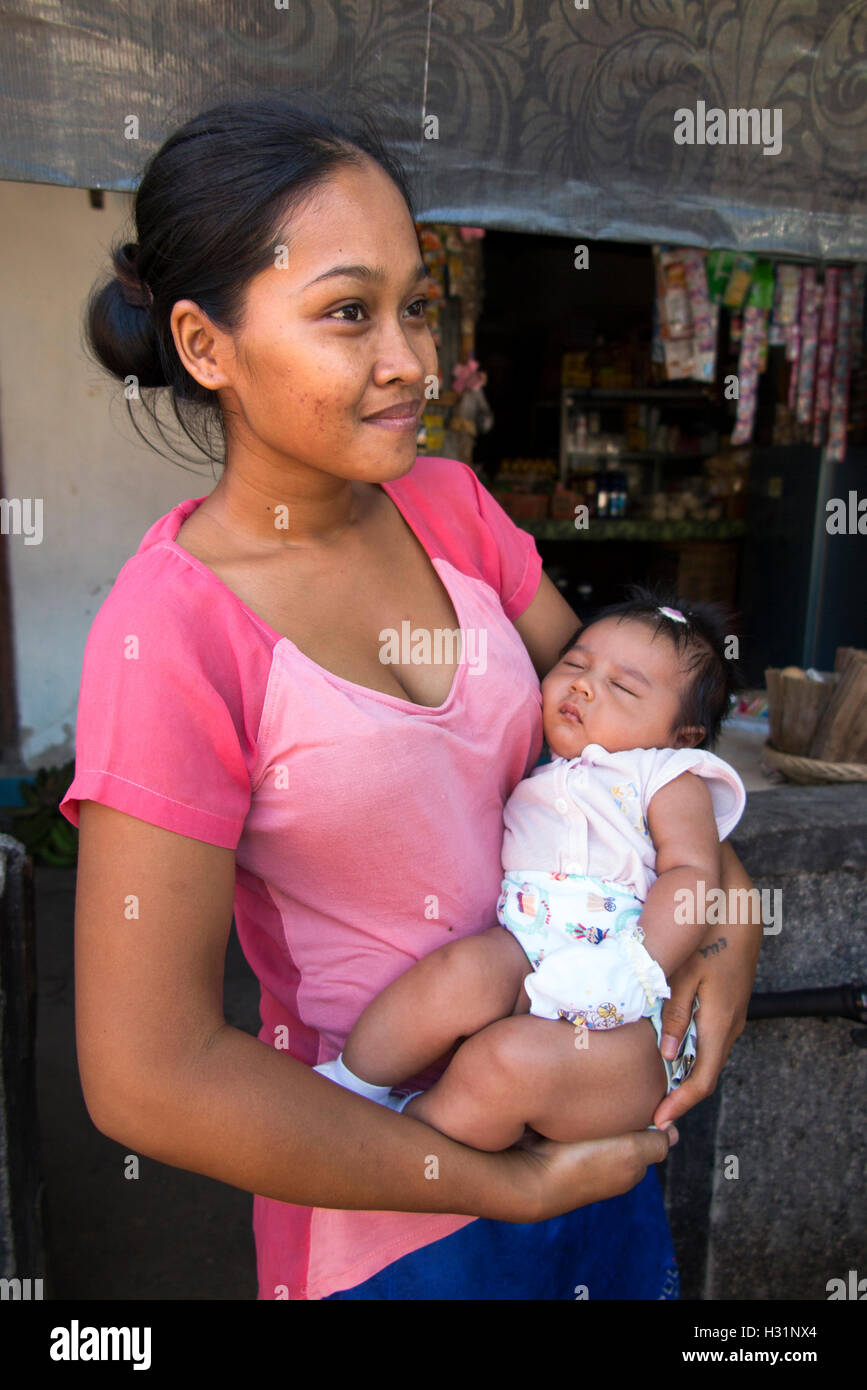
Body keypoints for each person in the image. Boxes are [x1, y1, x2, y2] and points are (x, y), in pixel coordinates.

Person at [60, 94, 762, 1301]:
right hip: (389, 1212)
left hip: (588, 1135)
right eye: (350, 313)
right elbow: (147, 1074)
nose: (415, 362)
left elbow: (617, 740)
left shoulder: (447, 508)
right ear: (205, 345)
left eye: (416, 306)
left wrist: (732, 909)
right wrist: (493, 1179)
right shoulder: (170, 632)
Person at [316, 590, 747, 1150]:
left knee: (504, 1063)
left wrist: (636, 967)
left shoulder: (667, 775)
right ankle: (347, 1089)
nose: (584, 685)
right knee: (456, 974)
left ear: (683, 734)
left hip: (625, 1021)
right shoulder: (544, 766)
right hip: (527, 955)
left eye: (622, 687)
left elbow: (692, 875)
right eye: (574, 664)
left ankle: (403, 1133)